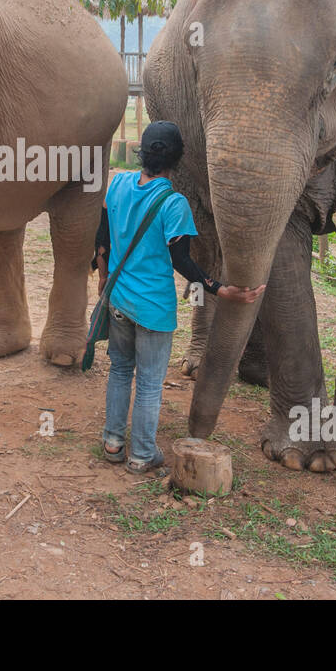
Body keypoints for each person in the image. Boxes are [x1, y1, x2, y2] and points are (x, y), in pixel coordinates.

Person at [92, 121, 264, 475]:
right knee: (151, 383)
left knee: (121, 371)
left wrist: (103, 273)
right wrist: (221, 290)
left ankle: (112, 442)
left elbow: (102, 234)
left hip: (119, 299)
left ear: (142, 151)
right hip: (153, 308)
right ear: (178, 160)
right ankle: (141, 454)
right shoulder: (174, 204)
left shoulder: (119, 183)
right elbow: (181, 260)